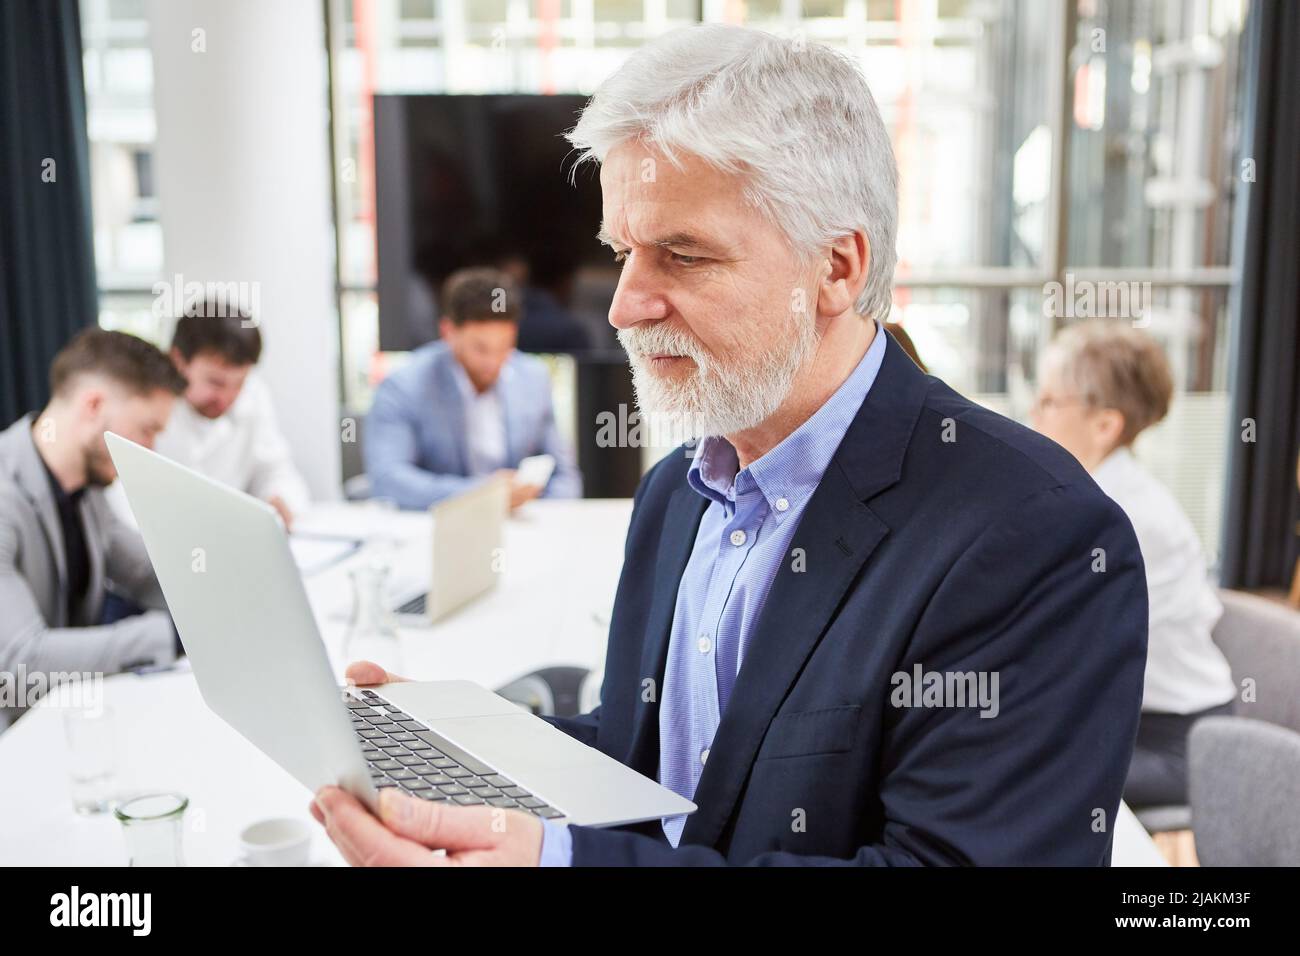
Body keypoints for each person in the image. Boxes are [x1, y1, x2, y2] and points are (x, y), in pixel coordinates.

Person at [312, 23, 1147, 866]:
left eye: (681, 254)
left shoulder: (1036, 538)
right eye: (622, 253)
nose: (624, 307)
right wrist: (474, 746)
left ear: (836, 268)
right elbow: (659, 772)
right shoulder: (678, 491)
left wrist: (554, 863)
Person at [1032, 319, 1235, 808]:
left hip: (1179, 743)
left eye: (1050, 401)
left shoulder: (1127, 518)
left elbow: (1066, 651)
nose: (1032, 412)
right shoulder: (1093, 494)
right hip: (1129, 722)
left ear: (1105, 425)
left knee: (1027, 788)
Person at [0, 329, 187, 728]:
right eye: (146, 429)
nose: (149, 449)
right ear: (94, 405)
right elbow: (19, 663)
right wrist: (166, 636)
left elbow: (147, 571)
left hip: (68, 723)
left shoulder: (86, 492)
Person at [364, 267, 583, 510]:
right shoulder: (403, 386)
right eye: (480, 348)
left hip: (521, 525)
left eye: (505, 346)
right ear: (448, 332)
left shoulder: (534, 377)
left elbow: (565, 476)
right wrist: (483, 495)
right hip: (442, 529)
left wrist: (549, 514)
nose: (493, 361)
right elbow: (388, 479)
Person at [159, 302, 310, 529]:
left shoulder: (254, 395)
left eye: (238, 384)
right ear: (178, 361)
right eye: (215, 382)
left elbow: (276, 471)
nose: (227, 398)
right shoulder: (151, 405)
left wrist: (277, 499)